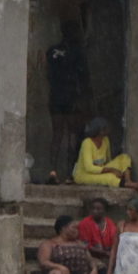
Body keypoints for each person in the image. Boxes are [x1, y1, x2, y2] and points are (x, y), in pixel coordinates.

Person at [45, 20, 90, 179]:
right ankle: (70, 173)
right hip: (71, 96)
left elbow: (49, 75)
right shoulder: (77, 52)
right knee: (72, 134)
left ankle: (53, 170)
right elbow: (83, 77)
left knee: (57, 134)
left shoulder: (52, 51)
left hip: (56, 96)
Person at [72, 116, 138, 189]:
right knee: (110, 177)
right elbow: (89, 168)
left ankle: (128, 180)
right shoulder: (87, 143)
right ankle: (131, 185)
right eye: (105, 128)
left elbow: (108, 160)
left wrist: (115, 168)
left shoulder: (105, 140)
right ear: (99, 131)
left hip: (101, 169)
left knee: (124, 158)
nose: (108, 130)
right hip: (84, 175)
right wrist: (112, 170)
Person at [77, 196, 118, 264]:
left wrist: (112, 253)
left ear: (105, 210)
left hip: (109, 254)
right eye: (93, 208)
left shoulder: (109, 222)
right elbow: (86, 245)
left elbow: (114, 240)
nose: (95, 211)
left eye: (98, 209)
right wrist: (105, 253)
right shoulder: (84, 223)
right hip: (91, 256)